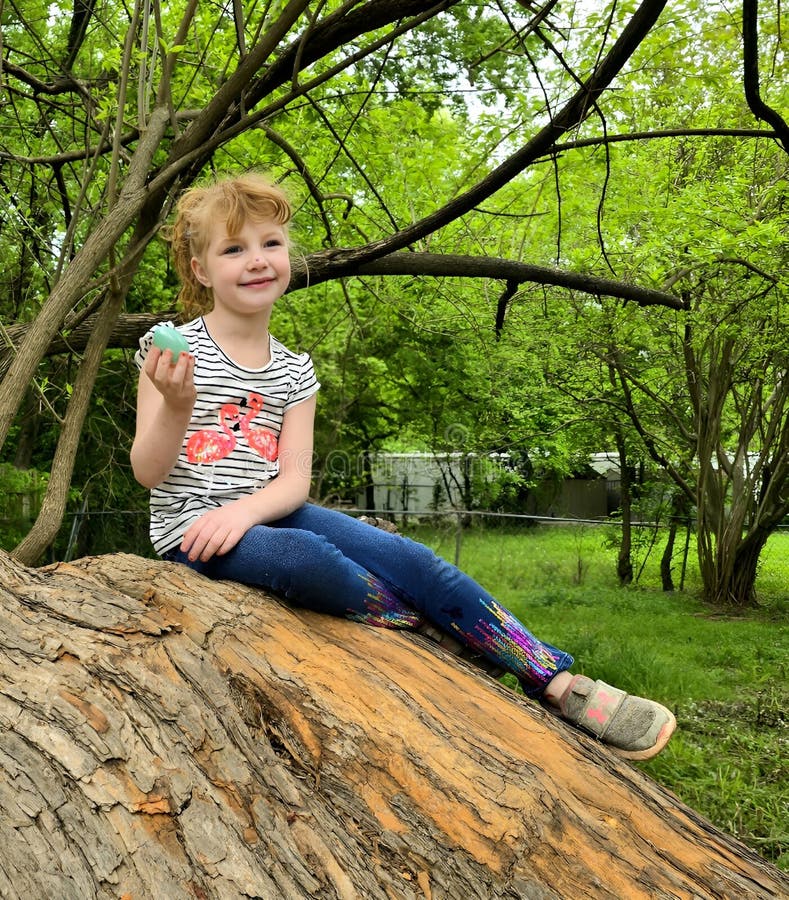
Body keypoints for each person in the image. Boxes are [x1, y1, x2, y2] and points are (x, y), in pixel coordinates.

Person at [131, 172, 676, 761]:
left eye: (271, 243)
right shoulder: (169, 353)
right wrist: (179, 407)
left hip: (268, 512)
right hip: (194, 536)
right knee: (311, 560)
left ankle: (556, 680)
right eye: (233, 248)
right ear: (201, 269)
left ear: (290, 255)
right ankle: (433, 631)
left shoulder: (294, 372)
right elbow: (148, 471)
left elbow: (293, 481)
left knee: (414, 558)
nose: (257, 260)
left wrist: (244, 512)